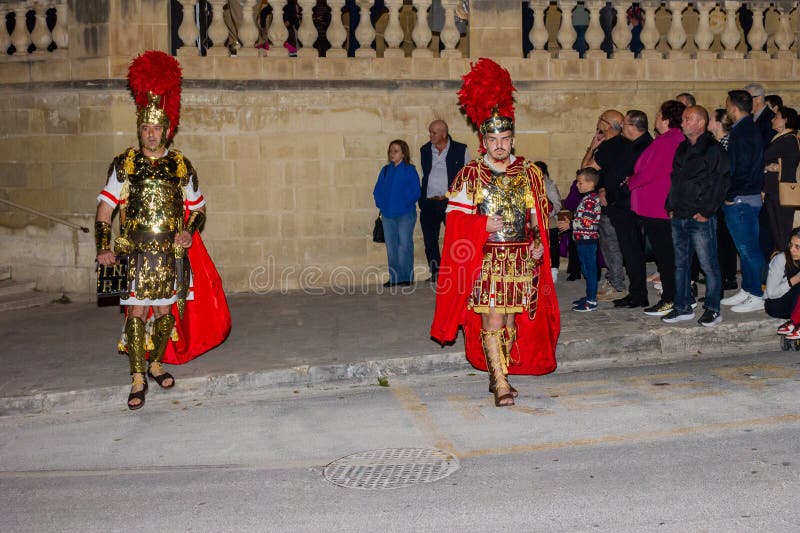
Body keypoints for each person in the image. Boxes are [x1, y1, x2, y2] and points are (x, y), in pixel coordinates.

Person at [95, 51, 231, 410]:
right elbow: (106, 208)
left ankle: (155, 362)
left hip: (169, 254)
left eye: (156, 128)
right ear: (139, 127)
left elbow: (198, 210)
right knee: (137, 313)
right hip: (135, 252)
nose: (150, 133)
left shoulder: (181, 164)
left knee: (165, 314)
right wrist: (103, 244)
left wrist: (189, 230)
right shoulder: (124, 163)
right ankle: (138, 378)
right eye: (145, 127)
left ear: (167, 129)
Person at [430, 58, 559, 407]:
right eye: (493, 138)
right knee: (493, 316)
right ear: (483, 140)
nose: (499, 144)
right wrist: (480, 225)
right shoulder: (470, 176)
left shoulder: (528, 172)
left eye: (504, 138)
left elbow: (536, 216)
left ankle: (498, 371)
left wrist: (536, 246)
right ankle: (500, 382)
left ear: (513, 138)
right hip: (486, 259)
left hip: (520, 260)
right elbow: (454, 221)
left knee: (513, 319)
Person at [663, 105, 730, 326]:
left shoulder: (713, 150)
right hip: (679, 215)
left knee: (708, 264)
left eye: (687, 119)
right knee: (680, 264)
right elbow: (675, 178)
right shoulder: (682, 148)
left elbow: (721, 182)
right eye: (683, 119)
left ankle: (713, 308)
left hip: (699, 217)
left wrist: (706, 211)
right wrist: (670, 205)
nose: (682, 123)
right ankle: (682, 306)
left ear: (701, 123)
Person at [628, 100, 686, 317]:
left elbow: (649, 171)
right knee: (669, 255)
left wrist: (630, 183)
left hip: (657, 206)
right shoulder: (672, 139)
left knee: (666, 257)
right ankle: (676, 296)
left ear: (666, 119)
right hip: (660, 204)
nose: (655, 119)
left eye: (657, 115)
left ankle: (670, 298)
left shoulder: (668, 141)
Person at [721, 90, 766, 313]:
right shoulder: (744, 129)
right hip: (743, 197)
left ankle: (757, 293)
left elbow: (743, 169)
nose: (727, 108)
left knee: (749, 250)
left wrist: (730, 196)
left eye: (727, 104)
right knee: (744, 248)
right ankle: (748, 289)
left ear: (734, 107)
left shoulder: (745, 131)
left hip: (742, 199)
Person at [581, 110, 627, 302]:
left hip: (609, 204)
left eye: (600, 119)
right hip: (619, 201)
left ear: (608, 125)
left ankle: (617, 285)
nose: (597, 122)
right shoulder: (624, 144)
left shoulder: (609, 146)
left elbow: (586, 171)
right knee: (612, 244)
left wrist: (591, 148)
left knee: (610, 245)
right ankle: (614, 281)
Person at [419, 119, 469, 282]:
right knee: (430, 239)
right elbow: (425, 173)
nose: (430, 135)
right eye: (430, 132)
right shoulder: (425, 150)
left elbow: (467, 176)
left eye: (434, 132)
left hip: (451, 202)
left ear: (444, 134)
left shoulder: (460, 149)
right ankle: (436, 272)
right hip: (430, 201)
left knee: (455, 238)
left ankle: (457, 271)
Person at [373, 140, 421, 287]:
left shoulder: (409, 169)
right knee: (392, 247)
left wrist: (404, 202)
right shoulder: (386, 170)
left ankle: (406, 277)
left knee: (404, 246)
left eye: (396, 151)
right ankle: (394, 278)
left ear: (403, 153)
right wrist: (382, 204)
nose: (392, 154)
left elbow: (416, 192)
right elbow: (377, 190)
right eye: (391, 151)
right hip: (387, 215)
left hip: (405, 214)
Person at [559, 168, 601, 312]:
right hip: (582, 240)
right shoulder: (587, 198)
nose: (577, 185)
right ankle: (589, 295)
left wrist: (570, 224)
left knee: (590, 270)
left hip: (588, 241)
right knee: (586, 269)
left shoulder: (590, 200)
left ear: (590, 183)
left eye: (580, 182)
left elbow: (587, 222)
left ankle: (591, 301)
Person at [708, 108, 739, 292]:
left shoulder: (728, 142)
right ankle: (722, 275)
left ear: (719, 122)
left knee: (724, 238)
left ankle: (728, 277)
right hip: (714, 196)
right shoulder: (714, 142)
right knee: (718, 238)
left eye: (711, 118)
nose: (708, 121)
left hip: (723, 196)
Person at [762, 107, 800, 254]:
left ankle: (785, 269)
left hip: (780, 193)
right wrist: (769, 166)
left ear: (785, 120)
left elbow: (764, 155)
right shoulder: (784, 138)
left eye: (776, 116)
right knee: (778, 235)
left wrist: (772, 167)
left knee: (781, 236)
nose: (772, 119)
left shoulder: (788, 140)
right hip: (776, 192)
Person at [766, 228, 800, 339]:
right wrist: (795, 280)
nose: (792, 250)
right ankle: (796, 323)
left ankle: (795, 323)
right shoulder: (781, 259)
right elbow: (771, 294)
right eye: (791, 245)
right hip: (777, 304)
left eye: (797, 247)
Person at [536, 161, 563, 282]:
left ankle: (554, 270)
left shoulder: (550, 185)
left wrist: (547, 209)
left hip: (549, 220)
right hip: (534, 221)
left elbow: (557, 204)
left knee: (552, 246)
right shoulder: (527, 184)